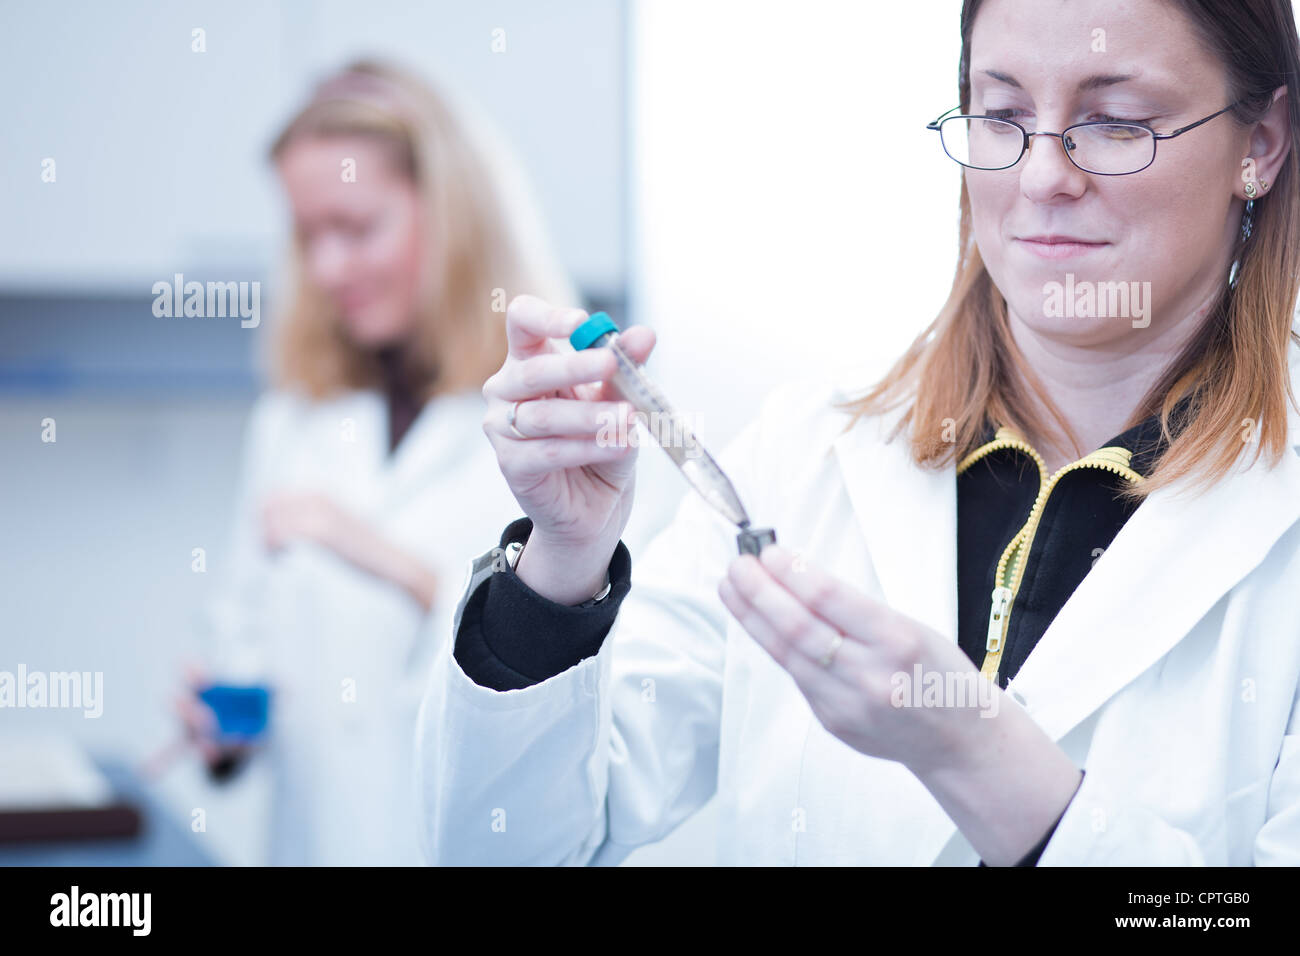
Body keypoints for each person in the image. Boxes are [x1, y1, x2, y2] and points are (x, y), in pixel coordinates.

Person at [417, 0, 1300, 866]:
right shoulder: (803, 458)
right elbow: (510, 848)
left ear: (1260, 142)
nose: (1039, 177)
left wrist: (979, 757)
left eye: (1115, 121)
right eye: (1001, 114)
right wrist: (561, 568)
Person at [180, 59, 576, 865]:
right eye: (307, 235)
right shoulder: (298, 417)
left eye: (356, 229)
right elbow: (242, 635)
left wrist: (366, 548)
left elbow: (567, 677)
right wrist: (225, 734)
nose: (327, 269)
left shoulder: (556, 409)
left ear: (453, 214)